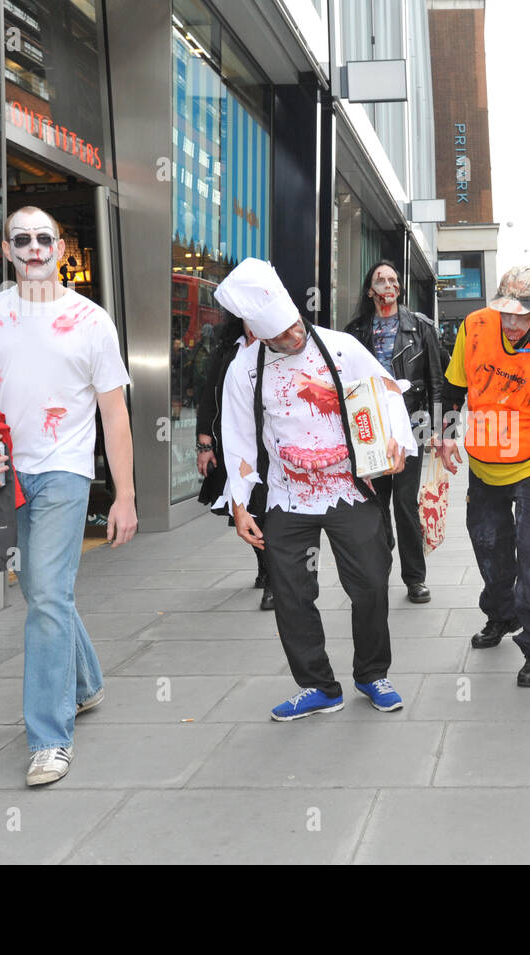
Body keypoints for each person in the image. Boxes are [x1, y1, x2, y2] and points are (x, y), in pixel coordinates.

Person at [0, 205, 137, 786]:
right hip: (0, 477)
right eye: (21, 239)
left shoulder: (91, 321)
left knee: (48, 593)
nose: (33, 248)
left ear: (60, 247)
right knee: (41, 593)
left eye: (44, 238)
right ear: (6, 249)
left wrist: (124, 495)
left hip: (63, 473)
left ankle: (50, 738)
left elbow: (115, 415)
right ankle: (86, 683)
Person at [216, 258, 417, 720]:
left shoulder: (342, 348)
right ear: (256, 335)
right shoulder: (244, 370)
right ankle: (318, 686)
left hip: (349, 485)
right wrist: (241, 504)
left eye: (294, 327)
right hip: (288, 493)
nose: (293, 338)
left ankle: (371, 672)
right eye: (280, 336)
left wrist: (397, 440)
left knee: (369, 582)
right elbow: (239, 437)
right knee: (289, 592)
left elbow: (386, 392)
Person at [437, 266, 530, 688]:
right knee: (490, 549)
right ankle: (500, 614)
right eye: (504, 313)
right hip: (484, 463)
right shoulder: (474, 327)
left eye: (520, 316)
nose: (511, 323)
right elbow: (453, 388)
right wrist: (447, 436)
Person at [344, 260, 443, 604]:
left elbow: (435, 381)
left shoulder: (419, 327)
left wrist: (440, 429)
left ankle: (415, 578)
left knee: (405, 503)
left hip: (410, 424)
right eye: (380, 280)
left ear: (399, 289)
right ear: (370, 291)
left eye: (393, 280)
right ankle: (380, 566)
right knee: (375, 503)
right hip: (370, 427)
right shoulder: (355, 331)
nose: (388, 284)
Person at [196, 316, 272, 610]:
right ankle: (265, 565)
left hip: (271, 445)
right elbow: (209, 398)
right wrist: (205, 445)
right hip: (236, 444)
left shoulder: (278, 348)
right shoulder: (229, 350)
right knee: (247, 508)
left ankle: (275, 578)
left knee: (268, 508)